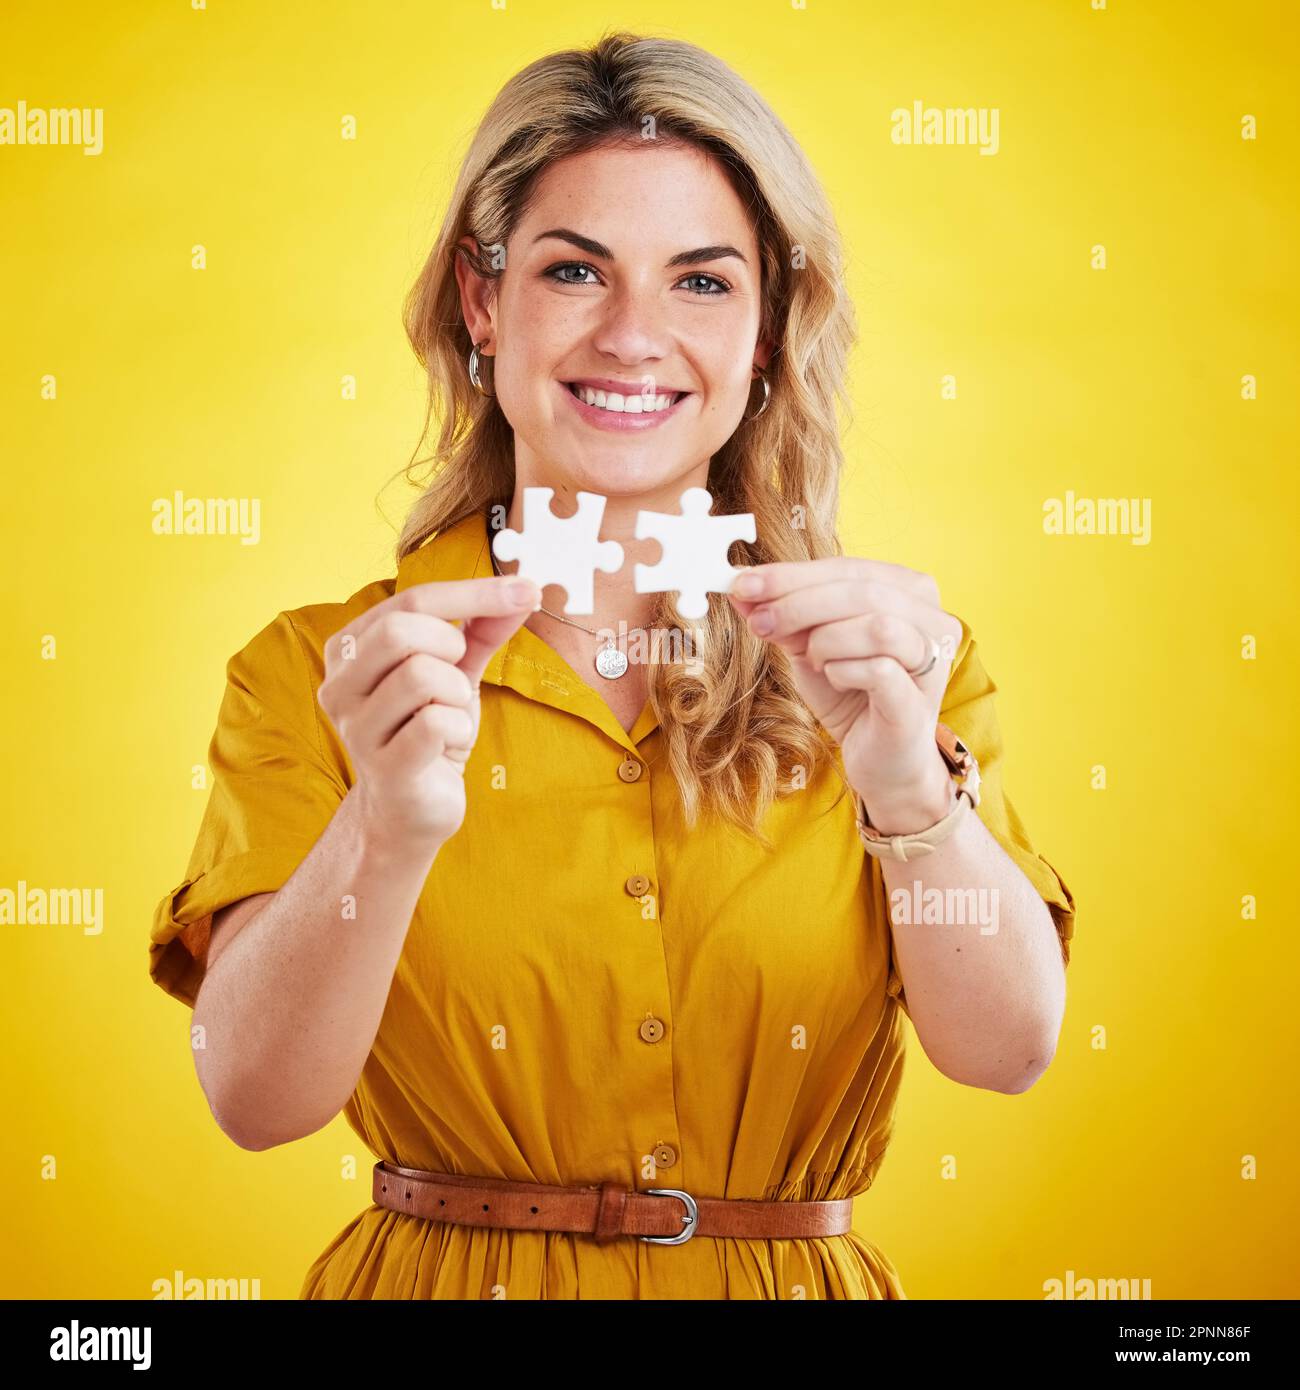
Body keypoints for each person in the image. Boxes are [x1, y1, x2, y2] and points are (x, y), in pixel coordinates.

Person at [148, 30, 1077, 1300]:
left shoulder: (898, 664)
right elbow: (253, 1100)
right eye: (575, 270)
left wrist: (910, 796)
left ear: (764, 334)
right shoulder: (324, 672)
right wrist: (385, 827)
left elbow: (1010, 1049)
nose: (635, 336)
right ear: (484, 303)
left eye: (702, 282)